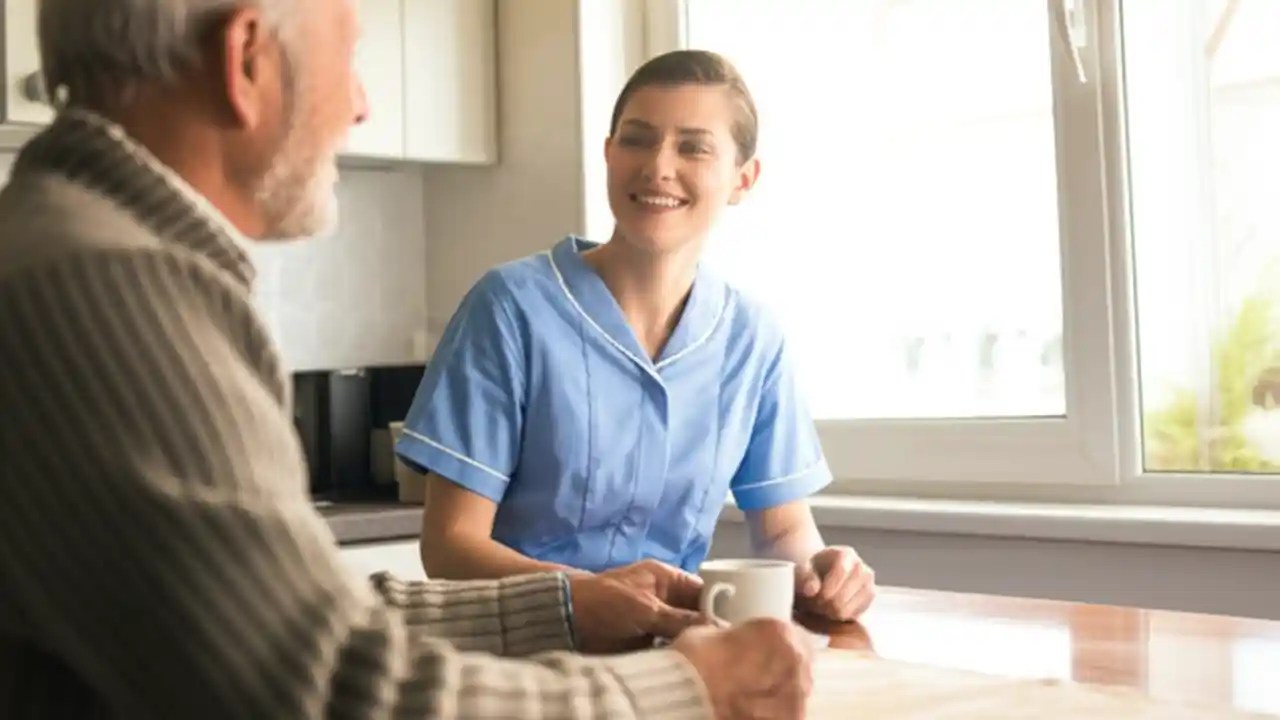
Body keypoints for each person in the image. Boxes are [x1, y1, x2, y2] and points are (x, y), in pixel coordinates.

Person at [0, 2, 814, 717]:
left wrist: (571, 609)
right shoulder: (110, 286)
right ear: (245, 59)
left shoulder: (82, 253)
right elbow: (324, 688)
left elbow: (307, 622)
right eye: (348, 56)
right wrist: (680, 692)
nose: (360, 105)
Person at [397, 50, 877, 623]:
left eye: (693, 146)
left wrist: (825, 572)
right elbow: (450, 546)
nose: (657, 167)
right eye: (637, 139)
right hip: (522, 656)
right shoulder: (509, 308)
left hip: (673, 656)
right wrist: (587, 595)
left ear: (742, 179)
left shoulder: (753, 339)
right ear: (608, 153)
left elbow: (783, 534)